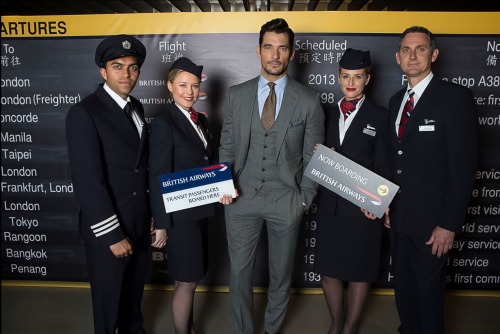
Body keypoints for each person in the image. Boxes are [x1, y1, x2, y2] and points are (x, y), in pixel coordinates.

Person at [218, 18, 325, 334]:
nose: (275, 55)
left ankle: (271, 330)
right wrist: (224, 185)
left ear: (291, 54)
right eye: (269, 47)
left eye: (282, 48)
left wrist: (303, 200)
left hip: (286, 200)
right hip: (240, 197)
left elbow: (314, 157)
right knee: (238, 275)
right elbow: (226, 145)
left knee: (280, 275)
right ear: (258, 50)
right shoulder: (237, 95)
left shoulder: (308, 100)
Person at [387, 26, 478, 334]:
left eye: (420, 49)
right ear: (398, 57)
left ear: (434, 54)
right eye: (407, 50)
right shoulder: (396, 100)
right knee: (405, 293)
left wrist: (449, 224)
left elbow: (463, 168)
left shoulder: (455, 98)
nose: (413, 56)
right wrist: (384, 202)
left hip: (433, 225)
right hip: (399, 219)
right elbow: (394, 160)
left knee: (428, 296)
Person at [66, 34, 150, 334]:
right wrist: (112, 235)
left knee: (132, 304)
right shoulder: (85, 112)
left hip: (138, 225)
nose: (127, 74)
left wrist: (150, 217)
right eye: (118, 66)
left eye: (133, 67)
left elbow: (139, 170)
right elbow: (87, 180)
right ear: (103, 71)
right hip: (109, 231)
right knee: (108, 310)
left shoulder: (137, 107)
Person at [313, 48, 390, 334]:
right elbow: (313, 154)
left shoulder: (381, 117)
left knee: (360, 271)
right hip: (330, 205)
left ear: (367, 80)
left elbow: (384, 164)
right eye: (346, 76)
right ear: (338, 77)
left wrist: (376, 201)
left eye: (358, 77)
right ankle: (336, 323)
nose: (351, 82)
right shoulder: (325, 114)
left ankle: (351, 327)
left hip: (363, 207)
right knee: (328, 270)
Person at [148, 57, 218, 334]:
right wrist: (161, 223)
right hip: (179, 217)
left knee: (190, 278)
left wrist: (221, 188)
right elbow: (158, 175)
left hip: (199, 210)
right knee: (187, 280)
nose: (189, 92)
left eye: (194, 86)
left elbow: (206, 162)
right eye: (182, 85)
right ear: (169, 86)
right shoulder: (165, 123)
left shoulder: (200, 120)